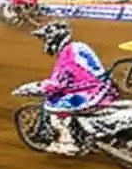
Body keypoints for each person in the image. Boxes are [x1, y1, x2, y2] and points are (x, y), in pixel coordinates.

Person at [35, 21, 120, 155]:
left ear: (53, 39)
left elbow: (58, 83)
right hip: (106, 86)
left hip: (92, 94)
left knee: (53, 108)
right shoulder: (79, 46)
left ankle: (67, 143)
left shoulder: (66, 57)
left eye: (45, 39)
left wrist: (41, 87)